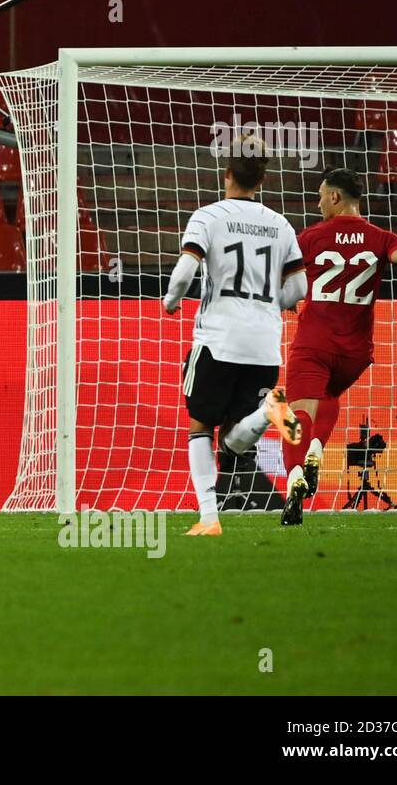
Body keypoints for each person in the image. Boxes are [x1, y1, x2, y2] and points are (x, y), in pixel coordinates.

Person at [279, 167, 397, 526]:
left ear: (336, 197)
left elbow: (283, 281)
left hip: (314, 345)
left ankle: (295, 477)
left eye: (323, 196)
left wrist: (288, 298)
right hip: (355, 354)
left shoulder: (309, 238)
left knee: (294, 413)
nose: (320, 202)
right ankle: (315, 450)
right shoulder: (383, 238)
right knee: (328, 394)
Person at [163, 148, 306, 536]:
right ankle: (268, 414)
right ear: (261, 181)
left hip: (219, 340)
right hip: (263, 343)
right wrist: (266, 306)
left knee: (200, 428)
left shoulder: (208, 217)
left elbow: (183, 273)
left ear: (227, 175)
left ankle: (209, 519)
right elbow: (298, 288)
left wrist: (171, 302)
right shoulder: (281, 225)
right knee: (233, 440)